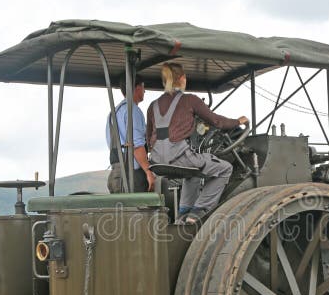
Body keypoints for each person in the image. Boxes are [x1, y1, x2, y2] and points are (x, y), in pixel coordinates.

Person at [146, 63, 248, 223]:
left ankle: (183, 215)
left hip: (157, 163)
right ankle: (197, 212)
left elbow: (149, 137)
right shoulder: (190, 100)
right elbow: (217, 121)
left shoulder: (153, 106)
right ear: (182, 79)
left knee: (192, 174)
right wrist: (238, 121)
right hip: (181, 159)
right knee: (224, 168)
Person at [106, 74, 154, 193]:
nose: (144, 91)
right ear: (137, 88)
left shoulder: (112, 113)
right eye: (143, 87)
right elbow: (137, 145)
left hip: (115, 175)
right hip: (131, 176)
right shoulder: (133, 111)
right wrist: (148, 171)